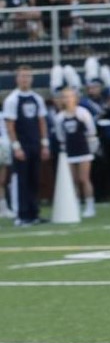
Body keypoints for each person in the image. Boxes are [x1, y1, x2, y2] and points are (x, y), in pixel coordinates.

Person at [3, 67, 50, 226]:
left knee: (34, 179)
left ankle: (34, 213)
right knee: (21, 181)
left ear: (32, 79)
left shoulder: (37, 98)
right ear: (17, 79)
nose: (25, 79)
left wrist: (44, 144)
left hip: (35, 144)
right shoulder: (12, 99)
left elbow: (42, 122)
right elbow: (10, 125)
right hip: (22, 144)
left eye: (27, 76)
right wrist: (16, 147)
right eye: (22, 76)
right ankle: (21, 215)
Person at [53, 86, 98, 219]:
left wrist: (91, 147)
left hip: (83, 150)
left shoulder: (83, 113)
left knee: (84, 178)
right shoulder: (60, 117)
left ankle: (90, 205)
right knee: (73, 180)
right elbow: (60, 136)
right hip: (70, 151)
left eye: (70, 96)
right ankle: (75, 204)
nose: (67, 99)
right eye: (65, 97)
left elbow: (91, 131)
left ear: (75, 98)